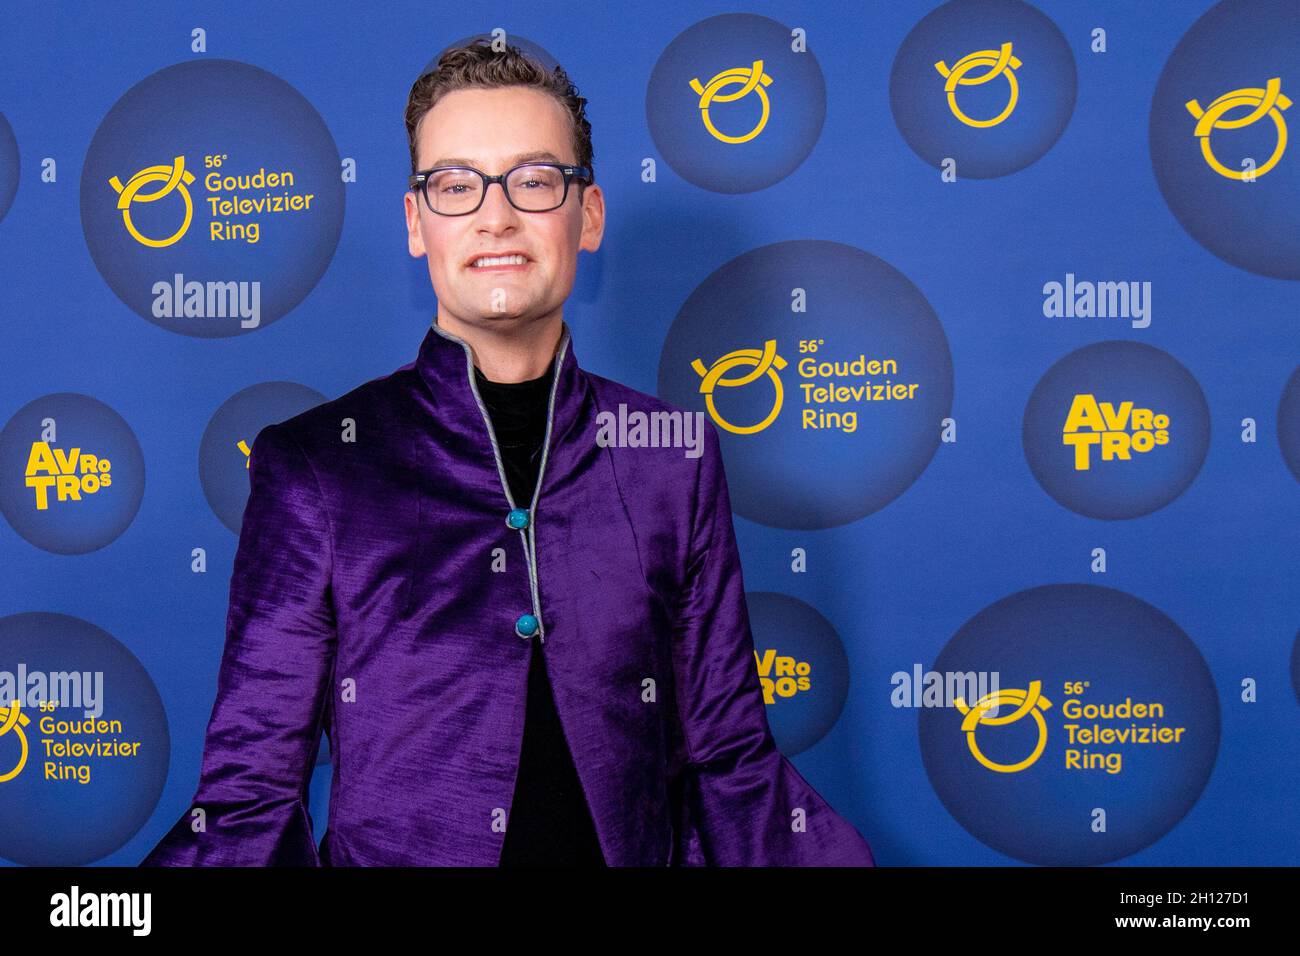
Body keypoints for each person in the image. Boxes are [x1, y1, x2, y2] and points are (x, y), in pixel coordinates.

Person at [141, 39, 875, 867]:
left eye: (533, 181)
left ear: (587, 215)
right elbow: (251, 797)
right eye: (456, 185)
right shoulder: (315, 467)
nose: (496, 217)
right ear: (417, 223)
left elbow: (729, 759)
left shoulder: (672, 457)